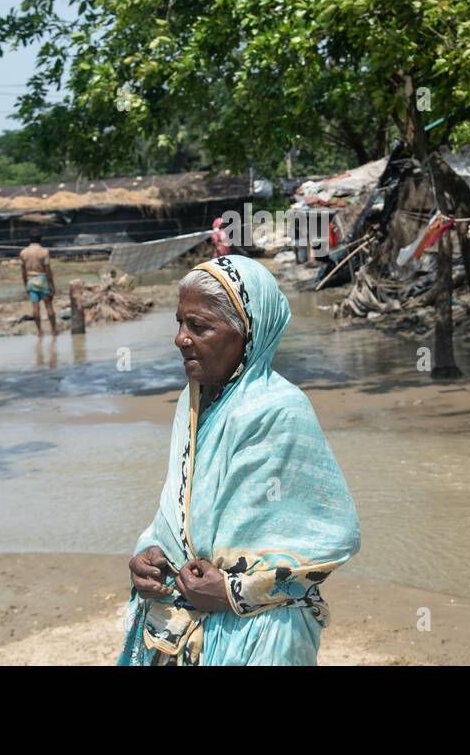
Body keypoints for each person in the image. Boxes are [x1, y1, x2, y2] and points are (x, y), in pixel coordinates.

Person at [118, 255, 360, 665]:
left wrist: (233, 592)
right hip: (182, 625)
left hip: (262, 632)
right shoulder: (195, 403)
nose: (181, 338)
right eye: (179, 323)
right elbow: (182, 514)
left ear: (249, 333)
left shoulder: (280, 410)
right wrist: (150, 555)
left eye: (199, 326)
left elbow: (329, 539)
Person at [19, 230, 57, 336]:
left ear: (29, 239)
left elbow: (23, 271)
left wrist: (25, 283)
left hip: (31, 280)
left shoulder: (23, 252)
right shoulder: (44, 252)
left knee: (35, 307)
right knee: (49, 306)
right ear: (40, 239)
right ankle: (53, 330)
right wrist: (52, 285)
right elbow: (48, 269)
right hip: (42, 279)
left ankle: (40, 332)